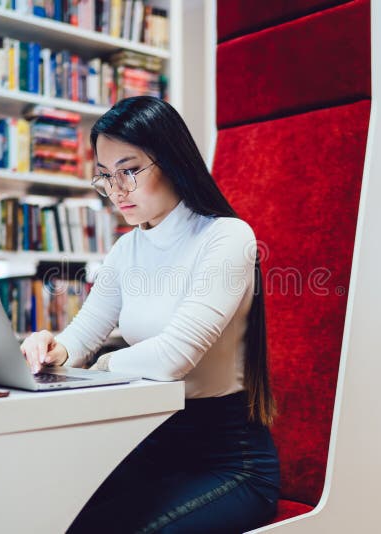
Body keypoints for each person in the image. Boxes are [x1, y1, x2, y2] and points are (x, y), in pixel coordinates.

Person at [20, 96, 280, 533]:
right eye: (105, 176)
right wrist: (53, 348)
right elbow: (82, 337)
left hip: (231, 463)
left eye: (130, 170)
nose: (117, 189)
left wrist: (101, 366)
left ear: (172, 160)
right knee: (53, 514)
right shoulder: (128, 248)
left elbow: (174, 357)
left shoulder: (227, 237)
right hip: (149, 448)